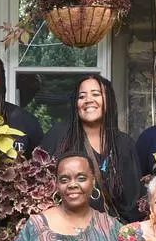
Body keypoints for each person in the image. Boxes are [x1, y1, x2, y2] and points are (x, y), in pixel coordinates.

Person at [39, 75, 144, 223]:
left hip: (111, 235)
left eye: (96, 94)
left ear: (109, 101)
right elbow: (38, 184)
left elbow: (134, 200)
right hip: (67, 231)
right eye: (82, 96)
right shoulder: (59, 135)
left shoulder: (123, 143)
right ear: (76, 104)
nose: (88, 100)